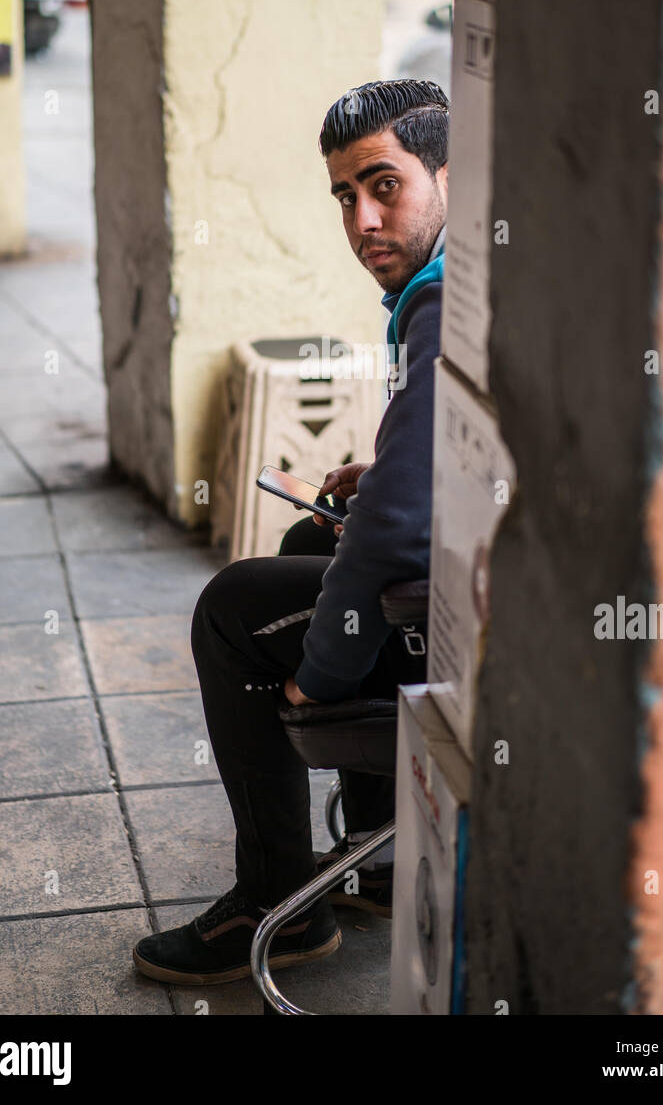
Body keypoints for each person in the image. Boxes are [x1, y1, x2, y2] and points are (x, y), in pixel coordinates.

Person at [133, 78, 448, 985]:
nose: (361, 220)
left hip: (476, 632)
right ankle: (378, 858)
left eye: (385, 185)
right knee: (314, 544)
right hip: (488, 590)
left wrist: (320, 676)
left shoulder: (441, 301)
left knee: (232, 609)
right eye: (345, 196)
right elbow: (427, 476)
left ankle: (277, 903)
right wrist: (381, 473)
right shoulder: (465, 276)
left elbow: (393, 537)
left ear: (449, 174)